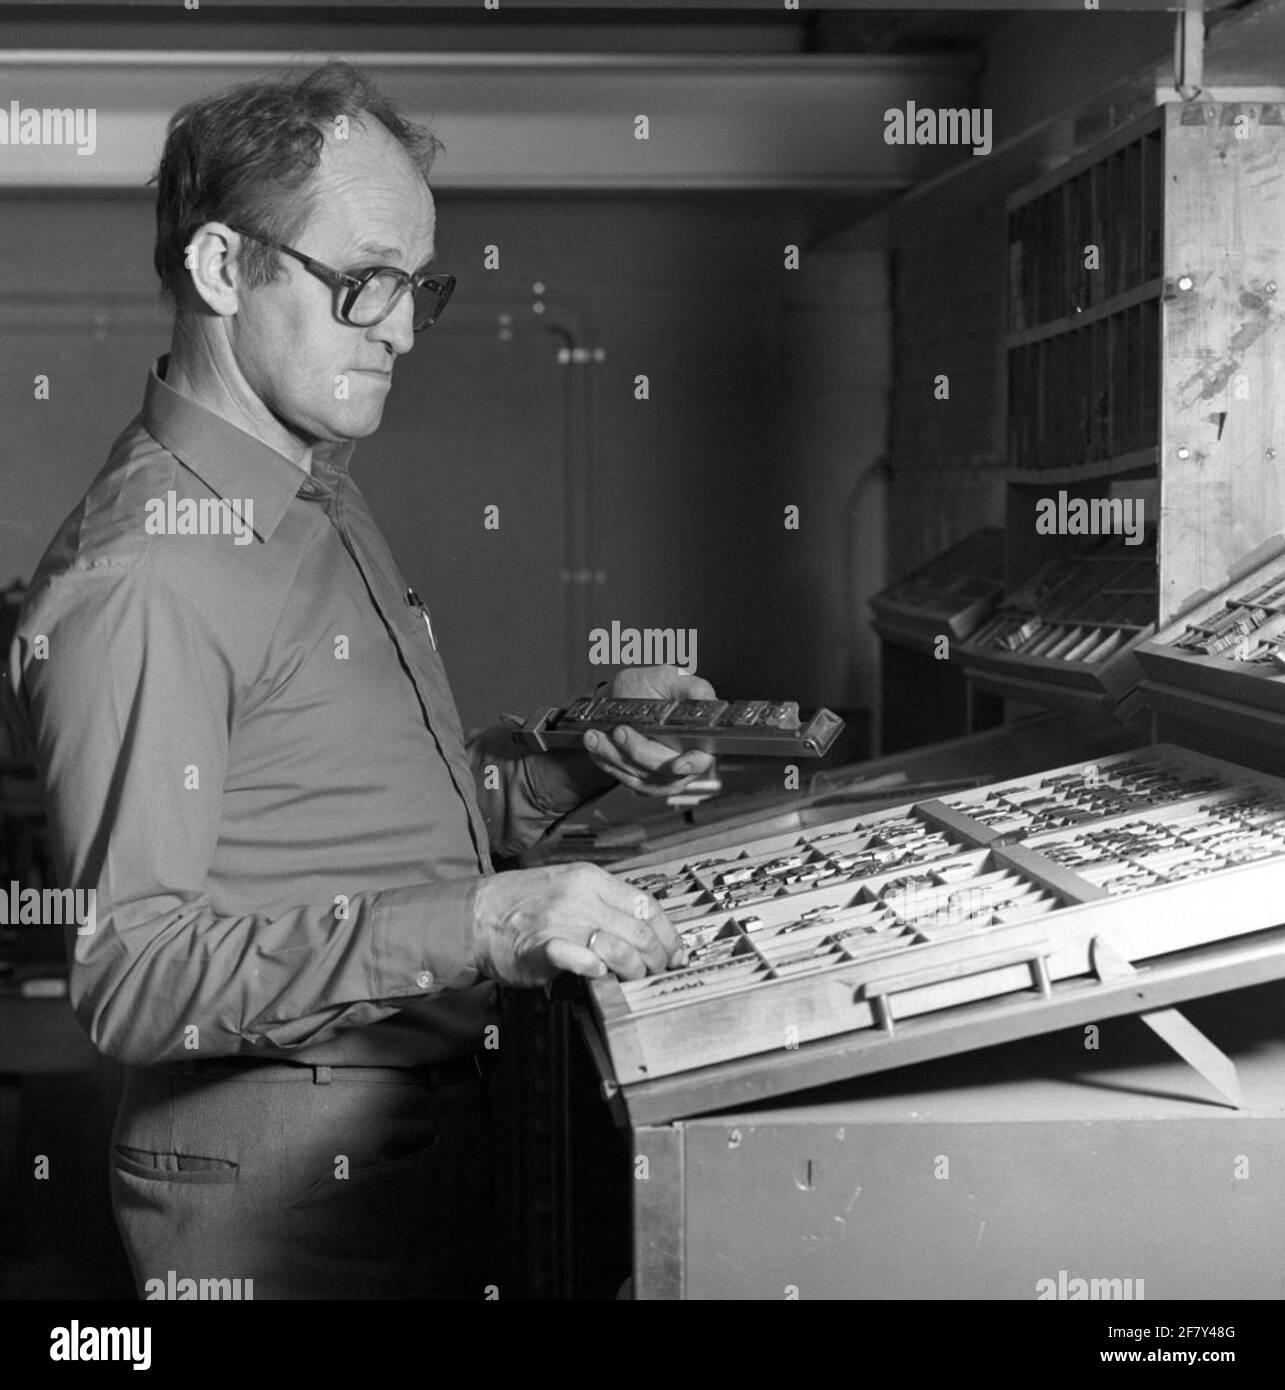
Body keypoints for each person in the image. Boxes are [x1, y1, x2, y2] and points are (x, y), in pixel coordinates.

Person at [2, 59, 715, 1299]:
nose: (398, 325)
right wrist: (487, 923)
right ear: (223, 269)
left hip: (414, 1130)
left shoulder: (312, 485)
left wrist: (583, 754)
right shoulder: (145, 578)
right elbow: (135, 981)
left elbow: (359, 828)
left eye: (414, 285)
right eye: (361, 283)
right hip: (283, 1179)